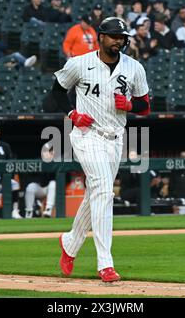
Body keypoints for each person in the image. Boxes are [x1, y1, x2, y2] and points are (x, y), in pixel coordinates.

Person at [52, 17, 150, 282]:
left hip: (115, 138)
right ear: (101, 37)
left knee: (97, 191)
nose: (119, 40)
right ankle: (105, 264)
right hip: (87, 135)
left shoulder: (134, 68)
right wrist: (72, 113)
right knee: (105, 191)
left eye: (122, 36)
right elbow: (56, 92)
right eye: (114, 36)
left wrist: (129, 106)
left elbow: (145, 105)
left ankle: (70, 242)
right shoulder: (80, 63)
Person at [24, 144, 56, 218]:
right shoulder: (39, 160)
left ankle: (48, 210)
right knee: (30, 187)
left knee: (53, 183)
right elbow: (30, 173)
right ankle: (29, 212)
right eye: (47, 151)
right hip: (41, 188)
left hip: (53, 190)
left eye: (51, 151)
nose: (48, 153)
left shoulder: (58, 161)